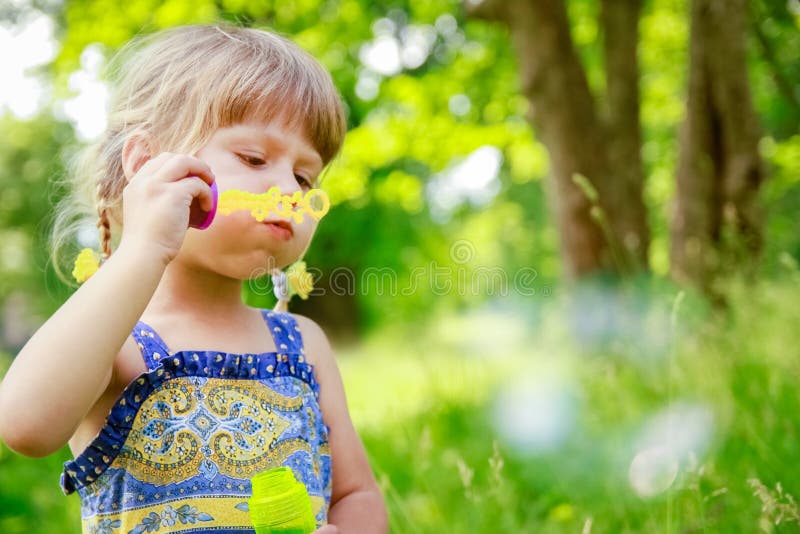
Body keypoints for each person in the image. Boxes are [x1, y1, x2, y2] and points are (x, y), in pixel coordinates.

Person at [0, 23, 387, 534]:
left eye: (304, 177)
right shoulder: (117, 343)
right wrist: (144, 249)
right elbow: (25, 425)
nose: (288, 190)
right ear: (147, 165)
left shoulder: (303, 345)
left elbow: (356, 492)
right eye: (253, 158)